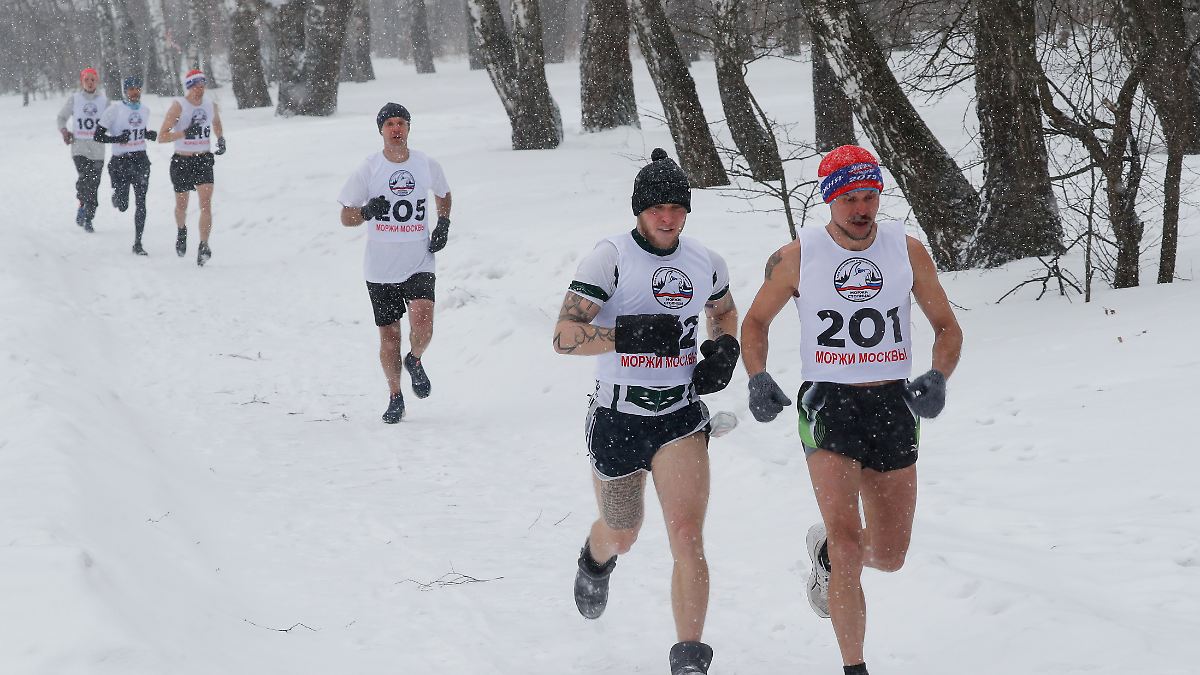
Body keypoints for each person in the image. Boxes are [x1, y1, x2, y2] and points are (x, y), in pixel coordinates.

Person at [740, 145, 963, 675]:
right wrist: (757, 378)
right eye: (849, 199)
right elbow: (754, 323)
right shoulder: (798, 255)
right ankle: (853, 666)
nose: (862, 209)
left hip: (892, 403)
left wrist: (937, 376)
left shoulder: (907, 251)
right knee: (846, 540)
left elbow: (947, 327)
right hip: (828, 403)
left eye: (870, 196)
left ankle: (827, 556)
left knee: (888, 555)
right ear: (829, 200)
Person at [553, 148, 741, 675]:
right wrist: (628, 332)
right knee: (624, 530)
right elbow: (563, 337)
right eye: (657, 208)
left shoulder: (705, 260)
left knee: (686, 535)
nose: (667, 218)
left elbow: (723, 312)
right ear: (639, 210)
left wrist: (724, 352)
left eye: (677, 209)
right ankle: (595, 559)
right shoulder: (610, 258)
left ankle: (689, 656)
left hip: (680, 416)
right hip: (618, 417)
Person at [337, 103, 453, 424]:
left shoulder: (425, 164)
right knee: (389, 336)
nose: (396, 128)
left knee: (423, 325)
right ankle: (395, 395)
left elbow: (443, 193)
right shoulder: (369, 168)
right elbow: (346, 215)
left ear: (409, 128)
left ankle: (414, 360)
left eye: (401, 122)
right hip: (380, 268)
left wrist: (443, 223)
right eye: (389, 124)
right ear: (381, 130)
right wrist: (365, 212)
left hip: (419, 259)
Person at [157, 69, 225, 266]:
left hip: (203, 159)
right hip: (182, 161)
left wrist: (220, 139)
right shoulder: (179, 106)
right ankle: (181, 230)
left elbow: (217, 123)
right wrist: (184, 132)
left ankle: (204, 244)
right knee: (182, 205)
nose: (200, 89)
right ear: (189, 86)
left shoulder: (210, 105)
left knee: (206, 203)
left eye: (202, 85)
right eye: (196, 86)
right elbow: (162, 136)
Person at [96, 76, 157, 255]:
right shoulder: (114, 110)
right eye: (131, 89)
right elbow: (98, 136)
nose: (135, 92)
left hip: (141, 160)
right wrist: (117, 139)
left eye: (137, 88)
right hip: (120, 162)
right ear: (125, 91)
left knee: (141, 202)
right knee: (123, 206)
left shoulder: (145, 110)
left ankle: (138, 243)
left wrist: (148, 134)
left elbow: (140, 130)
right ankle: (117, 196)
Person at [56, 67, 108, 233]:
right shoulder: (75, 99)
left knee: (94, 184)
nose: (90, 82)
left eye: (93, 79)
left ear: (97, 81)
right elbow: (61, 117)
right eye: (87, 79)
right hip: (79, 147)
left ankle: (86, 211)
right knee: (85, 179)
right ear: (82, 81)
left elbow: (114, 121)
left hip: (98, 149)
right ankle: (86, 211)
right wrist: (64, 131)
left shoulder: (104, 101)